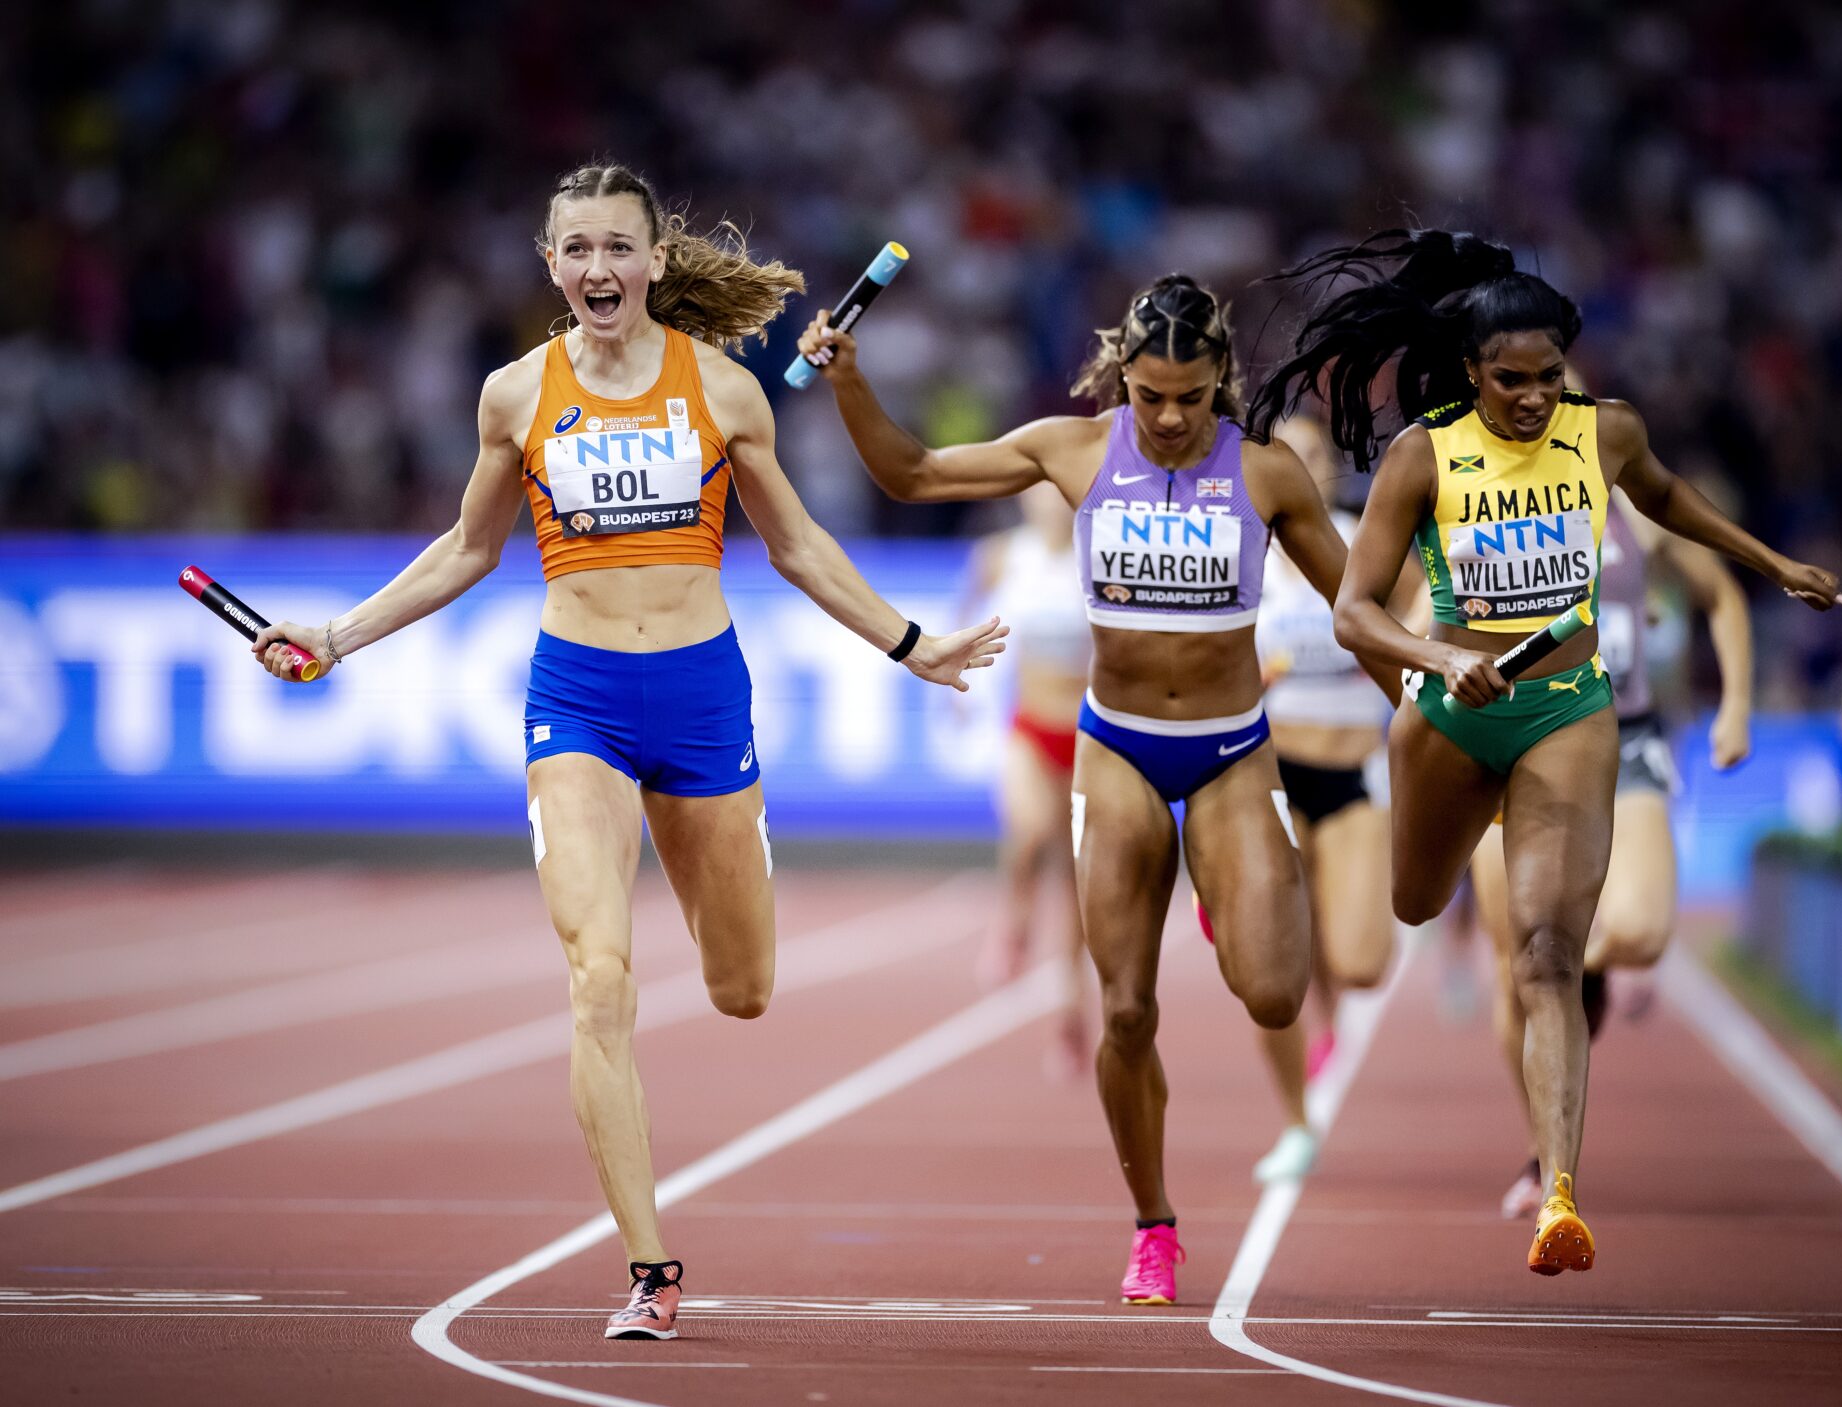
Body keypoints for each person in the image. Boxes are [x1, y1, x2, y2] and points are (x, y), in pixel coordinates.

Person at [251, 162, 1005, 1340]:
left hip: (703, 700)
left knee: (741, 989)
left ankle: (726, 912)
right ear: (548, 265)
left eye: (617, 248)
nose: (598, 269)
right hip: (579, 701)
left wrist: (911, 645)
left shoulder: (722, 389)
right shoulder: (515, 394)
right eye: (576, 250)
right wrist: (337, 637)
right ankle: (650, 1268)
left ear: (653, 262)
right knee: (597, 979)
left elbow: (798, 547)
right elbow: (464, 549)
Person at [1247, 228, 1842, 1275]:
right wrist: (1436, 655)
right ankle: (1422, 850)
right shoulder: (1421, 455)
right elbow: (1351, 615)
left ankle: (1557, 1192)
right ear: (1468, 372)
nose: (1530, 398)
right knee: (1410, 909)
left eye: (1546, 377)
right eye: (1508, 380)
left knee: (1545, 956)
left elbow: (1662, 499)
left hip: (1566, 708)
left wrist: (1767, 560)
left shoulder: (1602, 434)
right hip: (1449, 712)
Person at [797, 274, 1389, 1305]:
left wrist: (1434, 713)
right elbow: (913, 473)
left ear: (1220, 382)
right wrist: (849, 383)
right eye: (1149, 395)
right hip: (1115, 748)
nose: (1166, 418)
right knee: (1123, 1012)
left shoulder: (1267, 475)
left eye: (1189, 398)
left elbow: (1359, 612)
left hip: (1229, 751)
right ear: (1123, 376)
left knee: (1272, 992)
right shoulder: (1073, 451)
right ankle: (1152, 1227)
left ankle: (1231, 886)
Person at [1474, 492, 1754, 1218]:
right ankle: (1550, 1160)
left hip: (1623, 736)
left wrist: (1735, 704)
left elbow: (1720, 592)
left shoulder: (1636, 506)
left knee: (1640, 930)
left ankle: (1584, 967)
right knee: (1516, 979)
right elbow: (1408, 620)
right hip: (1513, 744)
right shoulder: (1478, 498)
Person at [1243, 414, 1405, 1183]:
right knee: (1276, 959)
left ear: (1333, 470)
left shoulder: (1361, 540)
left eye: (1315, 455)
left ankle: (1338, 995)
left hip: (1350, 770)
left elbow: (1418, 613)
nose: (1303, 467)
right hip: (1269, 775)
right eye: (1288, 455)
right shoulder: (1243, 548)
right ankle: (1297, 1123)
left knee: (1363, 959)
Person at [963, 480, 1094, 1077]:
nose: (1052, 507)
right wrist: (956, 681)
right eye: (1041, 496)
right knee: (1031, 829)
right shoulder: (1002, 556)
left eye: (1062, 496)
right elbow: (965, 611)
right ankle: (1013, 919)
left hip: (1091, 741)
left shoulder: (1101, 556)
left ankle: (1071, 1022)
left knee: (1080, 898)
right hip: (1031, 730)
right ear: (1025, 501)